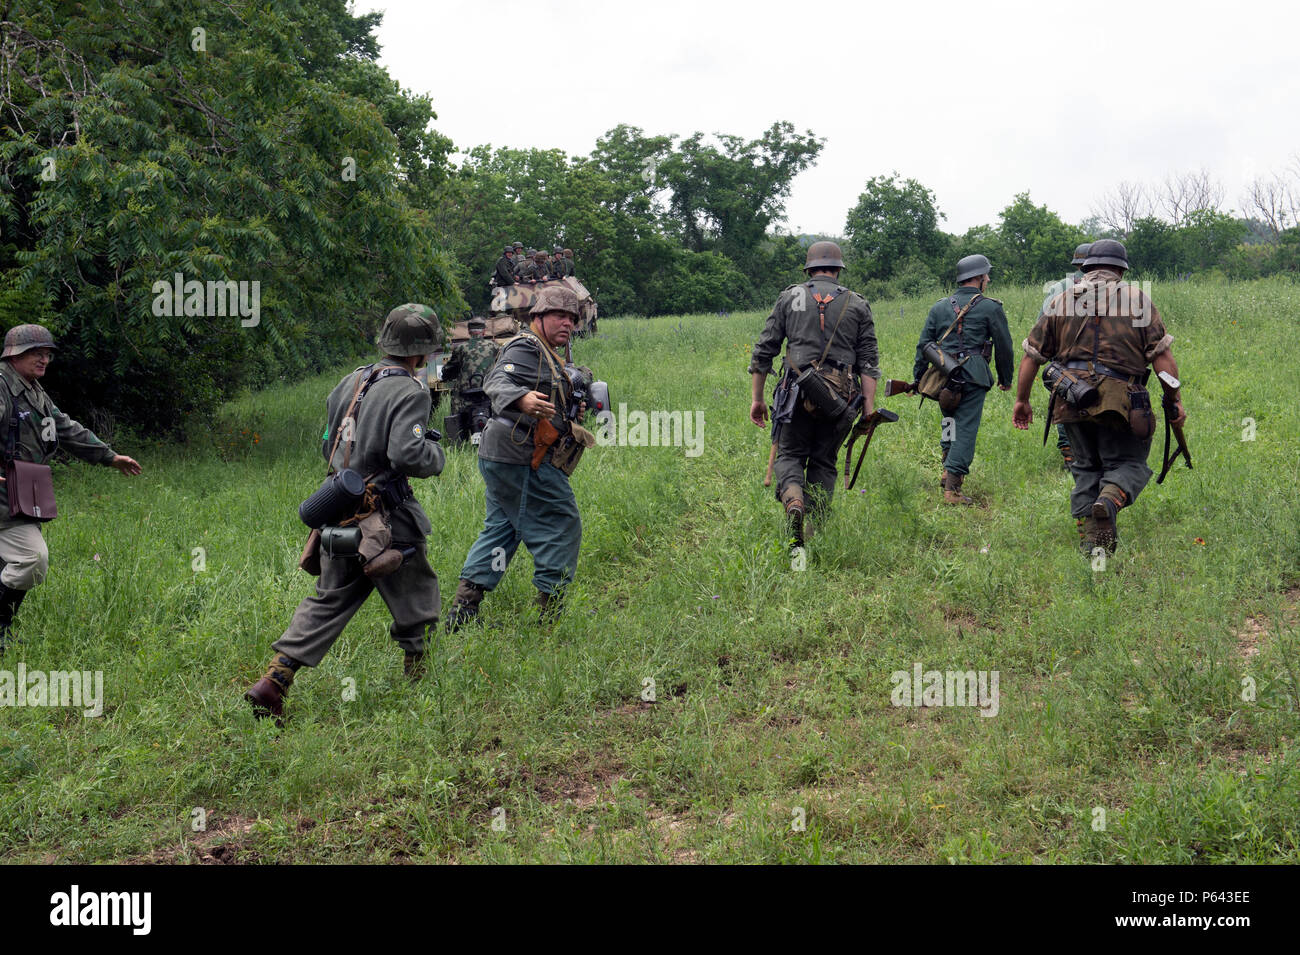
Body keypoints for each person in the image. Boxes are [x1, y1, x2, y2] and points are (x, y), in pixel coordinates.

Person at [245, 304, 446, 719]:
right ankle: (422, 684)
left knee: (329, 598)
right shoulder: (412, 390)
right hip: (388, 512)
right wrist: (436, 454)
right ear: (422, 352)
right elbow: (407, 454)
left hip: (337, 505)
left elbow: (328, 443)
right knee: (417, 591)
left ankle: (274, 680)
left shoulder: (351, 380)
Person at [1013, 239, 1186, 554]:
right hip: (1123, 404)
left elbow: (1031, 357)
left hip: (1071, 400)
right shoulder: (1137, 300)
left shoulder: (1059, 302)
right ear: (1120, 270)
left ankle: (1095, 550)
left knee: (1085, 468)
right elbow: (1162, 359)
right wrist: (1173, 399)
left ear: (1085, 268)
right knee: (1129, 464)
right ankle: (1109, 500)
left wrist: (1021, 401)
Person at [445, 285, 595, 630]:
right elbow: (497, 382)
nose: (567, 324)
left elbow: (549, 390)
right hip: (520, 455)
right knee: (561, 522)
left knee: (503, 529)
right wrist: (521, 399)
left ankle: (464, 609)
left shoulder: (549, 352)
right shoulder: (525, 346)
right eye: (559, 316)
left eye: (572, 318)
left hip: (504, 455)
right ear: (537, 317)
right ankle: (549, 612)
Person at [0, 324, 142, 652]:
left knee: (17, 563)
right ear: (15, 354)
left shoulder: (32, 390)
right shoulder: (3, 387)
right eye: (37, 352)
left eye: (48, 353)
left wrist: (109, 457)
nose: (45, 359)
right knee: (33, 560)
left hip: (21, 494)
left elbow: (65, 428)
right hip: (3, 499)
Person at [748, 241, 879, 545]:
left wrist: (757, 400)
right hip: (840, 401)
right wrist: (869, 407)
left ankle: (794, 499)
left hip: (794, 394)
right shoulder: (857, 304)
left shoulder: (790, 297)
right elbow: (868, 361)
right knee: (823, 462)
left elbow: (763, 351)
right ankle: (814, 531)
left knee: (791, 454)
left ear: (808, 268)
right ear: (837, 269)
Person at [912, 254, 1013, 505]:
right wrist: (1005, 378)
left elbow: (924, 345)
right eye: (986, 275)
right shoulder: (990, 307)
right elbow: (1004, 347)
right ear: (977, 278)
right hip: (973, 375)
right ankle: (953, 489)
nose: (988, 279)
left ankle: (947, 468)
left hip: (943, 375)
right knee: (965, 428)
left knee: (949, 421)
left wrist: (918, 378)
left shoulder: (939, 307)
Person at [1041, 243, 1092, 467]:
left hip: (1063, 354)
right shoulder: (1113, 287)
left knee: (1063, 397)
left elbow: (1043, 320)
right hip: (1097, 355)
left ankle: (1069, 451)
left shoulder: (1060, 286)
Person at [441, 316, 500, 444]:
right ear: (484, 332)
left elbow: (451, 368)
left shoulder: (461, 348)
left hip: (465, 395)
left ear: (469, 332)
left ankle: (456, 442)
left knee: (456, 405)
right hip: (488, 393)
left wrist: (445, 376)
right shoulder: (493, 347)